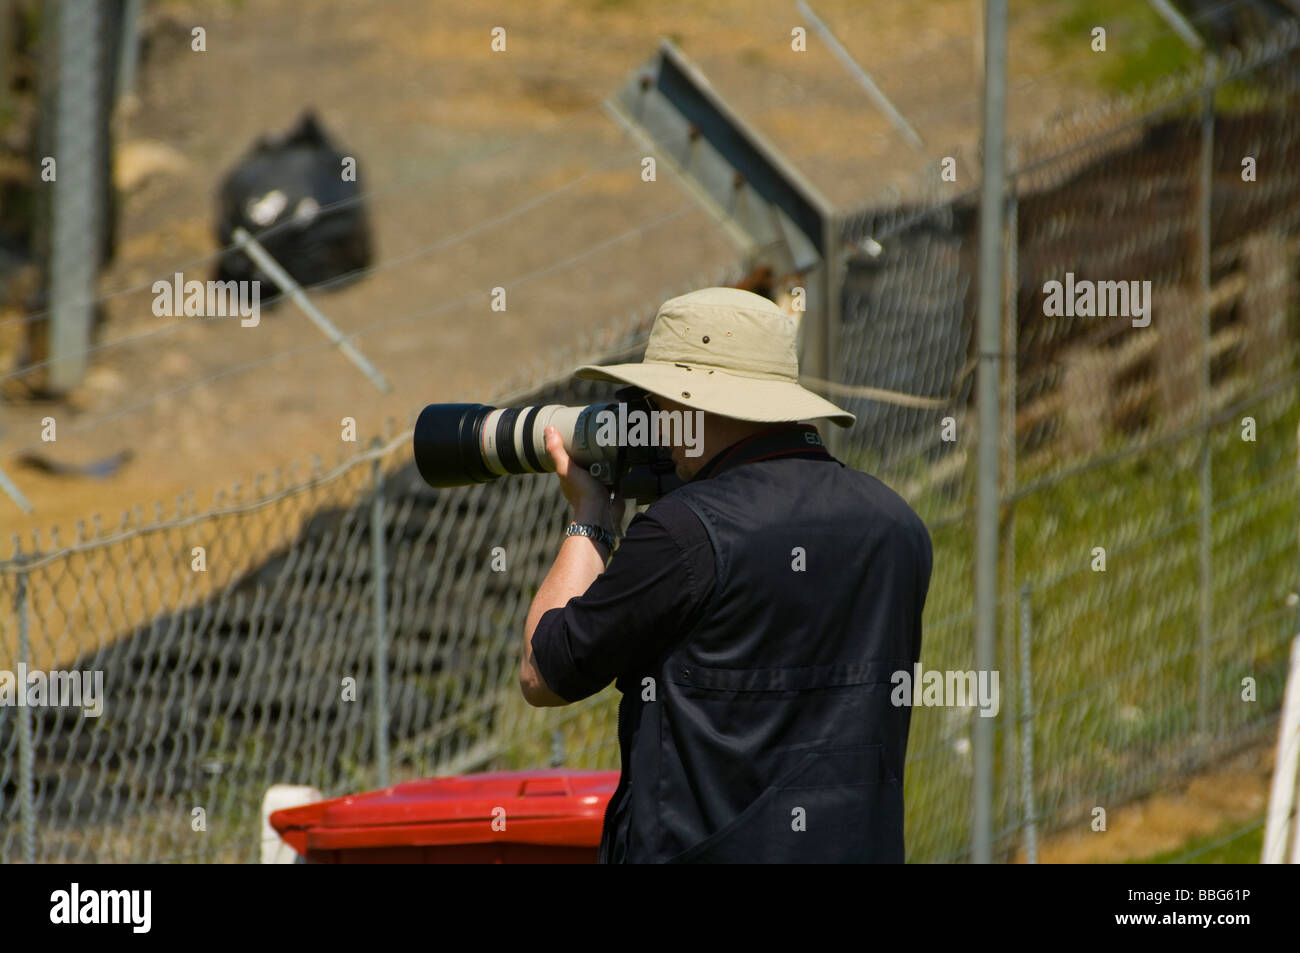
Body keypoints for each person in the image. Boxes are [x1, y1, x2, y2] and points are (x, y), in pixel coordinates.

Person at [519, 286, 932, 863]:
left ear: (692, 402)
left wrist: (590, 519)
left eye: (655, 398)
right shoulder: (897, 525)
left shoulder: (684, 533)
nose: (651, 418)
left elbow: (544, 672)